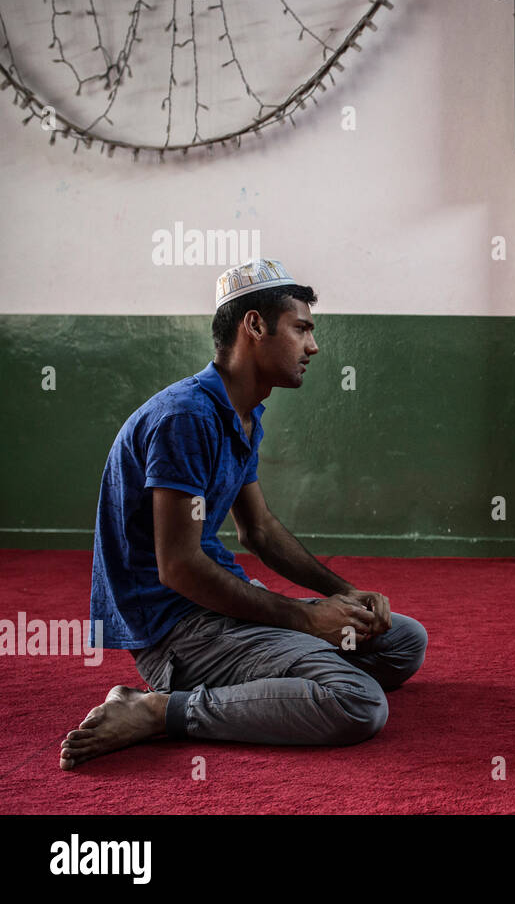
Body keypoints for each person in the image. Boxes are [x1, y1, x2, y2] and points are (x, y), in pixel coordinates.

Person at [60, 259, 427, 770]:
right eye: (301, 329)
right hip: (174, 631)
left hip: (217, 606)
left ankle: (264, 678)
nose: (313, 347)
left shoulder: (244, 413)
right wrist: (304, 618)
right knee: (357, 702)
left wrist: (341, 594)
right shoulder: (186, 417)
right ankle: (157, 709)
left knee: (403, 642)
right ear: (254, 326)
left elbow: (259, 530)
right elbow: (179, 566)